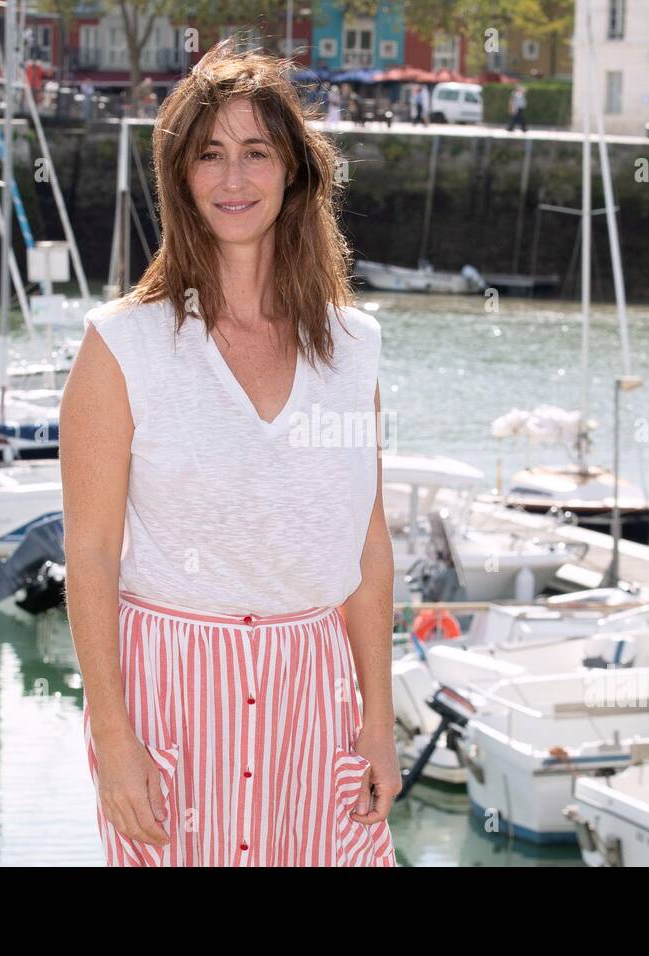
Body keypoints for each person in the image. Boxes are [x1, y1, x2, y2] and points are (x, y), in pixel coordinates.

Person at [62, 36, 398, 868]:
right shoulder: (122, 346)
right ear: (181, 176)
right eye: (210, 155)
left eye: (256, 152)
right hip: (170, 693)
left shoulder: (355, 347)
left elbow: (368, 545)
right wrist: (113, 738)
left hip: (317, 698)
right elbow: (92, 554)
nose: (234, 178)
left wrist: (378, 720)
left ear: (295, 171)